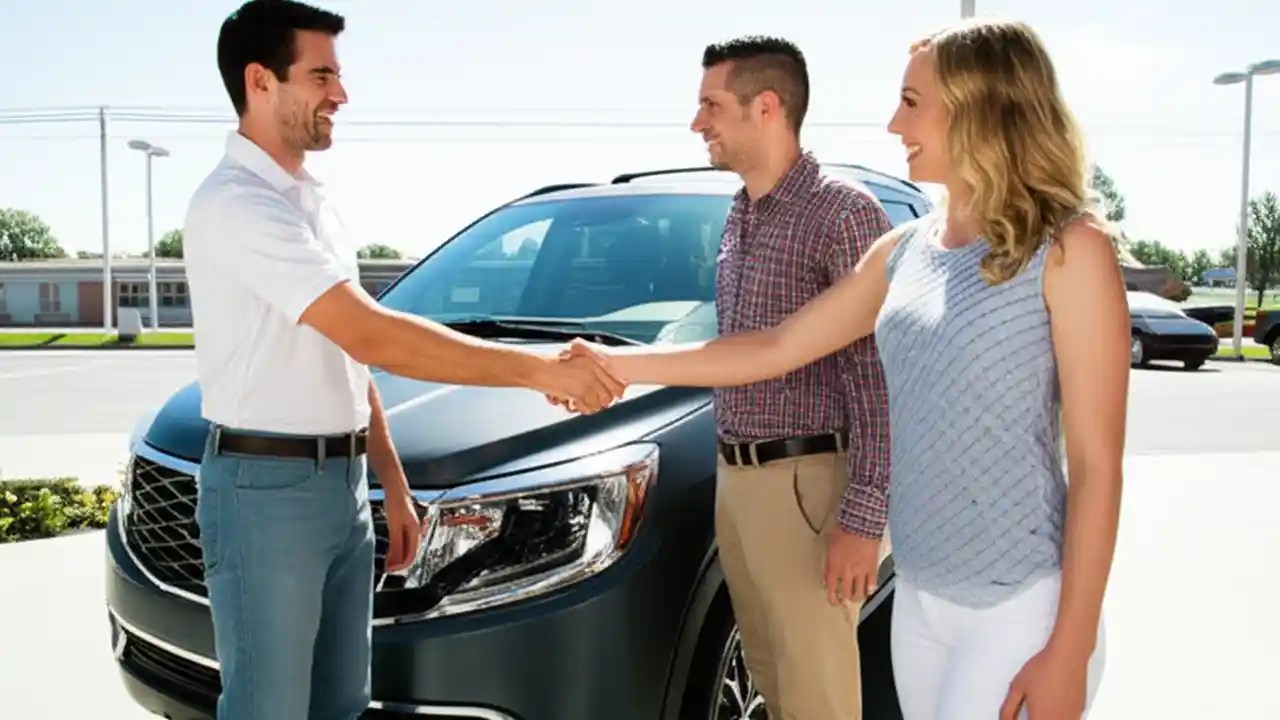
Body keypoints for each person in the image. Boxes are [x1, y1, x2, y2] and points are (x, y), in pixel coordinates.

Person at [561, 17, 1124, 720]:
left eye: (912, 102)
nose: (893, 124)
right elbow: (771, 348)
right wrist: (619, 364)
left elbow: (1099, 468)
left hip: (1020, 604)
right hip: (921, 602)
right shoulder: (902, 251)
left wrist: (1067, 649)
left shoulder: (1071, 251)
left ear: (981, 105)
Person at [182, 2, 623, 718]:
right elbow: (374, 335)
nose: (341, 94)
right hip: (264, 494)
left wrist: (389, 480)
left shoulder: (313, 205)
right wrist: (544, 370)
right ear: (260, 81)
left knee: (342, 705)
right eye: (321, 74)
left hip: (340, 490)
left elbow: (347, 358)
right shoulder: (237, 205)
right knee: (269, 708)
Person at [666, 35, 895, 720]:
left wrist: (863, 517)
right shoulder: (740, 212)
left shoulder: (844, 213)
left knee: (817, 696)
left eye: (710, 104)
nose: (696, 121)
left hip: (807, 487)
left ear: (765, 107)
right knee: (772, 682)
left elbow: (878, 378)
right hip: (737, 488)